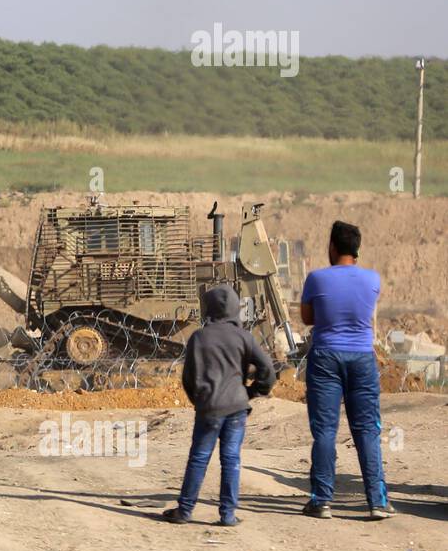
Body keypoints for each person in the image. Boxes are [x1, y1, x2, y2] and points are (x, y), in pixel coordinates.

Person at [299, 221, 392, 520]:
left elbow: (307, 318)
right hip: (363, 358)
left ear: (332, 246)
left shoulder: (316, 278)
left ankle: (322, 501)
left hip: (325, 357)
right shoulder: (372, 279)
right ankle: (377, 502)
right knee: (367, 430)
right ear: (357, 249)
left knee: (325, 430)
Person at [164, 284, 276, 526]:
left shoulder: (199, 337)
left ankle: (184, 511)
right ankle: (228, 515)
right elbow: (268, 369)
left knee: (199, 458)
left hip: (209, 408)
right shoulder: (244, 337)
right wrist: (253, 391)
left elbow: (188, 378)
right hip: (236, 407)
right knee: (231, 459)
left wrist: (199, 400)